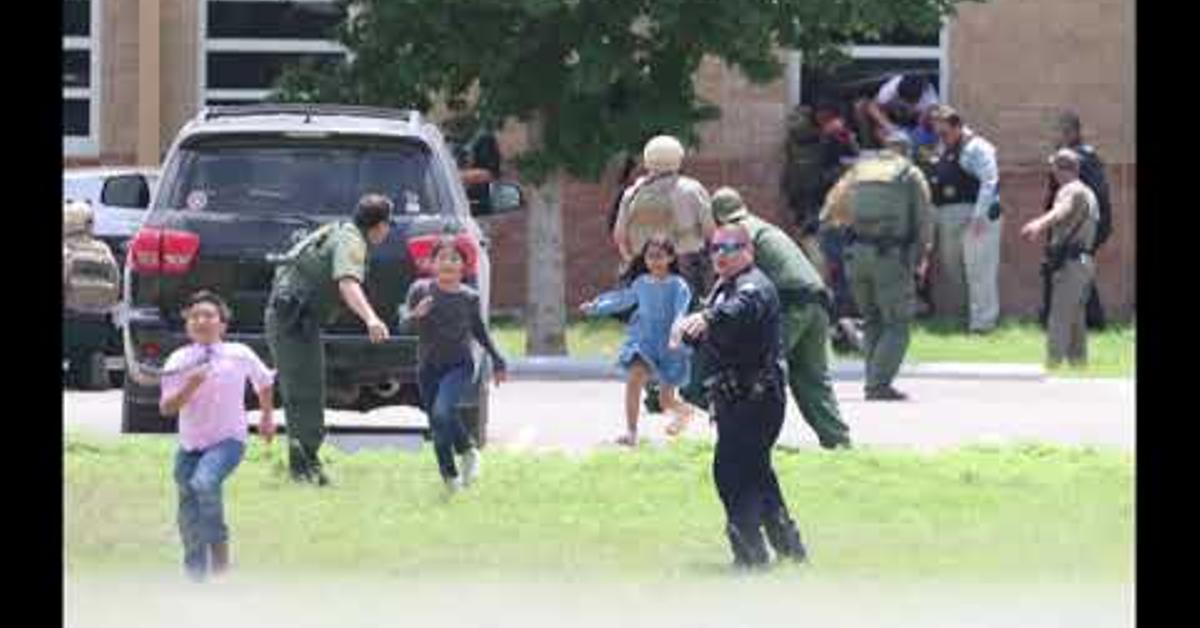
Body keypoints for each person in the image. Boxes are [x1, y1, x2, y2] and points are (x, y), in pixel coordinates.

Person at [673, 224, 807, 569]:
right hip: (736, 397)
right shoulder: (723, 287)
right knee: (756, 472)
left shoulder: (754, 286)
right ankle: (788, 550)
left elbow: (740, 310)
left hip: (758, 397)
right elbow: (713, 338)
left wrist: (706, 317)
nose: (721, 254)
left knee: (731, 471)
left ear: (749, 251)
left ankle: (750, 555)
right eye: (715, 248)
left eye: (731, 247)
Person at [264, 193, 394, 486]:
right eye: (388, 225)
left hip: (292, 317)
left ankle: (307, 461)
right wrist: (371, 318)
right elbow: (347, 282)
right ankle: (303, 468)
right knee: (304, 393)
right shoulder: (352, 241)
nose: (387, 232)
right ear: (380, 226)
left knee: (308, 389)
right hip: (293, 320)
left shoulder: (337, 228)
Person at [710, 187, 851, 449]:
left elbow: (731, 271)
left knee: (756, 371)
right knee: (812, 378)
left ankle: (753, 440)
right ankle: (839, 442)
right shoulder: (762, 226)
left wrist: (710, 310)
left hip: (789, 304)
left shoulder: (737, 233)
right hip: (816, 300)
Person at [159, 290, 276, 581]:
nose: (201, 321)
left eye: (209, 315)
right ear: (187, 324)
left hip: (229, 441)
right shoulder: (179, 360)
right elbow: (166, 408)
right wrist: (190, 385)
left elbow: (264, 381)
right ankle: (196, 577)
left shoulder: (240, 354)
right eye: (195, 316)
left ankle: (221, 560)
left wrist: (266, 416)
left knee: (205, 482)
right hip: (190, 446)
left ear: (222, 325)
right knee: (188, 513)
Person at [821, 131, 934, 401]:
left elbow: (829, 212)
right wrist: (919, 259)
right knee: (897, 323)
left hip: (856, 254)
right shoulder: (910, 174)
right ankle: (879, 384)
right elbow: (924, 221)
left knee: (873, 321)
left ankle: (873, 379)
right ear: (907, 151)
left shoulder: (859, 171)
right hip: (890, 257)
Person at [401, 235, 508, 493]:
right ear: (431, 264)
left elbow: (480, 332)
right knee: (440, 419)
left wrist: (498, 359)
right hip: (428, 369)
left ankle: (451, 477)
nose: (448, 263)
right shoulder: (420, 290)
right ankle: (466, 453)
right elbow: (403, 326)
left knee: (441, 413)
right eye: (442, 258)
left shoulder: (469, 298)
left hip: (459, 366)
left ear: (464, 266)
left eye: (454, 258)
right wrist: (416, 316)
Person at [580, 235, 695, 446]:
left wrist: (676, 334)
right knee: (634, 379)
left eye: (659, 256)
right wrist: (597, 306)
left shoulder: (679, 285)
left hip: (670, 346)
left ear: (670, 258)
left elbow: (681, 312)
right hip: (644, 342)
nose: (654, 261)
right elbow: (622, 299)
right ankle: (631, 433)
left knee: (665, 401)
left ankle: (685, 412)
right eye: (650, 257)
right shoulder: (641, 283)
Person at [612, 134, 715, 306]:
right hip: (685, 267)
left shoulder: (632, 193)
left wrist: (632, 260)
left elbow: (619, 236)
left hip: (643, 267)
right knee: (686, 319)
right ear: (678, 158)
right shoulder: (691, 189)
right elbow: (710, 232)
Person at [928, 106, 1003, 333]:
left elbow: (990, 181)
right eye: (937, 133)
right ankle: (964, 318)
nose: (941, 138)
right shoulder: (946, 148)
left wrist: (980, 215)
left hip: (975, 217)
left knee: (979, 271)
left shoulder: (977, 147)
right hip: (949, 217)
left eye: (944, 133)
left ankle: (983, 325)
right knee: (955, 271)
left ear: (958, 127)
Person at [1022, 149, 1099, 367]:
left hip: (1071, 262)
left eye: (1054, 167)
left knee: (1059, 316)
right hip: (1084, 262)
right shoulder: (1088, 192)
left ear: (1062, 169)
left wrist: (1039, 223)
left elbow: (1061, 211)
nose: (1052, 172)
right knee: (1075, 318)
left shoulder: (1070, 190)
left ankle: (1053, 363)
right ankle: (1078, 364)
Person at [1041, 110, 1111, 330]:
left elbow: (1091, 196)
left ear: (1070, 132)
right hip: (1077, 223)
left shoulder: (1081, 157)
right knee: (1071, 268)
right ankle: (1085, 320)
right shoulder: (1076, 155)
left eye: (1059, 132)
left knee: (1070, 267)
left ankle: (1089, 320)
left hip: (1080, 225)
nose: (1055, 137)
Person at [62, 200, 121, 389]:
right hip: (99, 326)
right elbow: (116, 284)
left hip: (68, 323)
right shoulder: (104, 250)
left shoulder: (65, 249)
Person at [857, 73, 940, 148]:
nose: (908, 105)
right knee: (878, 130)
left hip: (914, 124)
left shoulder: (930, 99)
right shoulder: (890, 88)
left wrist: (913, 134)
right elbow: (872, 107)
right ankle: (869, 147)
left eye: (911, 103)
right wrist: (889, 126)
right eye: (905, 101)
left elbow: (928, 123)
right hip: (892, 119)